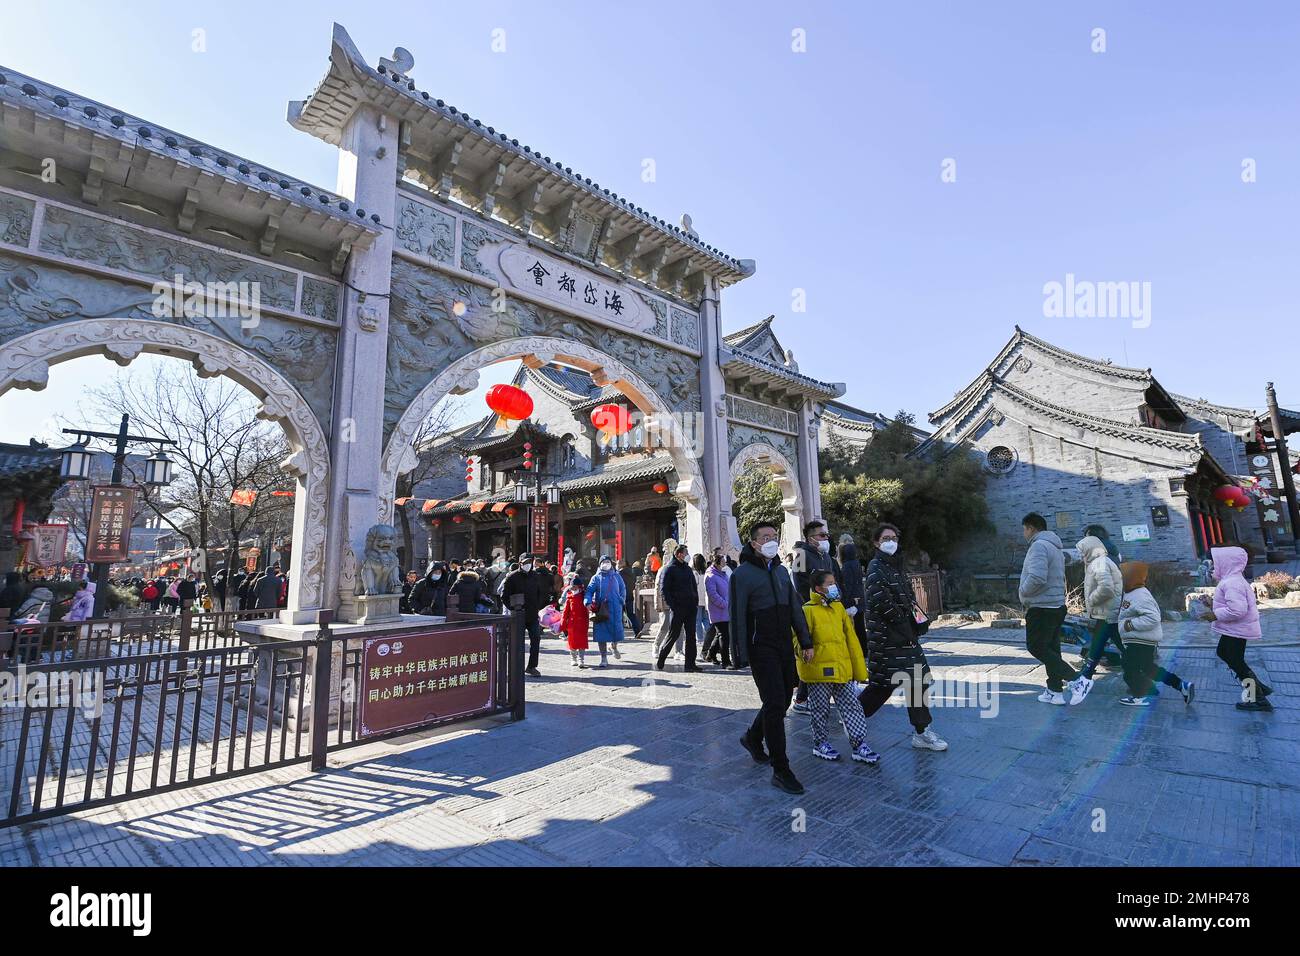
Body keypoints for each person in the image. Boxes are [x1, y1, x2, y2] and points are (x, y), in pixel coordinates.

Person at [732, 521, 814, 794]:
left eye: (774, 536)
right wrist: (740, 654)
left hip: (783, 645)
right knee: (775, 701)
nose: (771, 540)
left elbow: (795, 608)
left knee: (782, 699)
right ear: (753, 542)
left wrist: (805, 640)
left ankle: (753, 737)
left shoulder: (781, 571)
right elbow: (738, 616)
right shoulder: (742, 575)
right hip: (761, 646)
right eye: (765, 537)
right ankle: (781, 768)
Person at [860, 523, 948, 751]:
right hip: (887, 640)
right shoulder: (876, 568)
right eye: (886, 538)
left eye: (894, 537)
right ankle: (853, 716)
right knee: (882, 687)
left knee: (918, 682)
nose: (891, 541)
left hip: (906, 637)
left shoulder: (895, 566)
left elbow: (909, 597)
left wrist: (919, 619)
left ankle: (922, 732)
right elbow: (882, 604)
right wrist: (905, 626)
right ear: (876, 543)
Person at [798, 569, 878, 763]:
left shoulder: (839, 608)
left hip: (842, 669)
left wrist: (858, 669)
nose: (834, 587)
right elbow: (798, 638)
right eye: (829, 583)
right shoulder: (807, 610)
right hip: (818, 670)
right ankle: (820, 743)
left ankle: (859, 745)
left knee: (852, 706)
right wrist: (803, 651)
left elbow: (851, 639)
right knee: (820, 709)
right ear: (818, 588)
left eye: (834, 582)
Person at [1199, 546, 1271, 711]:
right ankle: (1259, 689)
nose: (1213, 567)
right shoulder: (1231, 580)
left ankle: (1258, 698)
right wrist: (1211, 604)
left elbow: (1238, 610)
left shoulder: (1232, 583)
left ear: (1226, 563)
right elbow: (1230, 604)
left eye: (1216, 563)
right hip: (1234, 629)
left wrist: (1215, 615)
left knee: (1236, 661)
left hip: (1238, 629)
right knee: (1225, 654)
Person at [1115, 561, 1193, 706]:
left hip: (1140, 640)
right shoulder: (1132, 593)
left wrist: (1129, 625)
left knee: (1129, 668)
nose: (1120, 579)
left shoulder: (1140, 595)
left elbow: (1153, 618)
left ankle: (1138, 696)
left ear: (1132, 578)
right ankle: (1181, 685)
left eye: (1123, 576)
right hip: (1140, 640)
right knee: (1149, 669)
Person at [1018, 512, 1076, 705]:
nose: (1024, 533)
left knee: (1035, 646)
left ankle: (1076, 680)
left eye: (1024, 529)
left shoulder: (1039, 546)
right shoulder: (1054, 546)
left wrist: (1023, 593)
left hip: (1041, 606)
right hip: (1055, 605)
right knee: (1052, 649)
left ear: (1031, 528)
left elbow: (1037, 577)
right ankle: (1055, 691)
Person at [789, 520, 841, 713]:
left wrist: (836, 598)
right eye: (821, 535)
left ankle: (831, 689)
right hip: (810, 610)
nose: (825, 538)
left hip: (829, 608)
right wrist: (812, 602)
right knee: (811, 653)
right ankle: (801, 698)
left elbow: (833, 580)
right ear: (810, 538)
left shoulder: (825, 556)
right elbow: (798, 583)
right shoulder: (801, 555)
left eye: (826, 535)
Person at [1067, 534, 1125, 705]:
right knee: (1098, 649)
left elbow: (1106, 588)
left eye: (1082, 551)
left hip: (1106, 613)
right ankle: (1084, 679)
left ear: (1089, 549)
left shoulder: (1099, 563)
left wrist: (1091, 600)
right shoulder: (1101, 561)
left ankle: (1084, 680)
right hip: (1107, 613)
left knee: (1099, 648)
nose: (1081, 555)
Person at [657, 544, 701, 671]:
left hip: (691, 607)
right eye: (685, 552)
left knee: (691, 636)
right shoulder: (669, 569)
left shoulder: (687, 568)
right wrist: (673, 606)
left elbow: (693, 585)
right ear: (679, 554)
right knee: (673, 634)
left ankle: (690, 664)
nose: (687, 554)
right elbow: (664, 589)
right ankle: (662, 657)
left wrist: (695, 600)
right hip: (678, 608)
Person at [503, 554, 549, 677]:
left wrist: (537, 606)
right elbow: (504, 596)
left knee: (536, 639)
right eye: (526, 562)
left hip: (532, 615)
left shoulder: (535, 576)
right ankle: (516, 666)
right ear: (520, 563)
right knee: (518, 642)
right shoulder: (512, 577)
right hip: (518, 615)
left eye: (530, 561)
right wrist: (513, 609)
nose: (528, 564)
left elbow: (540, 593)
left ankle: (532, 666)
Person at [585, 556, 626, 668]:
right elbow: (589, 590)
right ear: (600, 564)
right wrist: (587, 602)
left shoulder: (617, 576)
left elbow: (623, 589)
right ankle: (603, 657)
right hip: (601, 609)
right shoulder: (596, 578)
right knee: (601, 635)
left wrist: (621, 599)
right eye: (603, 562)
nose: (606, 564)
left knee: (617, 633)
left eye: (608, 561)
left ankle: (614, 646)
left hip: (616, 609)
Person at [702, 552, 732, 666]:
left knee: (719, 634)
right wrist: (724, 604)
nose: (725, 561)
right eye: (723, 559)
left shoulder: (723, 574)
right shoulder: (710, 576)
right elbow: (712, 594)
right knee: (724, 636)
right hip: (718, 610)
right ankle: (726, 661)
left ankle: (711, 654)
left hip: (726, 609)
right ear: (718, 562)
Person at [837, 533, 866, 645]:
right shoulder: (856, 563)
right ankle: (864, 648)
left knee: (854, 627)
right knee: (860, 626)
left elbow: (848, 584)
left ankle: (861, 649)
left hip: (852, 600)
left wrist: (846, 600)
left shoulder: (846, 566)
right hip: (860, 596)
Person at [558, 573, 590, 668]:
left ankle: (581, 659)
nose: (573, 588)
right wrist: (563, 624)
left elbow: (588, 609)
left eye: (575, 587)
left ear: (579, 587)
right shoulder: (569, 597)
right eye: (572, 587)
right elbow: (565, 612)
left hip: (582, 623)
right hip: (572, 624)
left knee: (582, 642)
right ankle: (573, 658)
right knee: (572, 642)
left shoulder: (584, 597)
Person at [617, 559, 643, 637]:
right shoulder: (631, 573)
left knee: (619, 615)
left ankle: (619, 633)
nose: (617, 565)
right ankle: (637, 631)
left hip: (620, 596)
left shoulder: (618, 574)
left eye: (618, 563)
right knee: (631, 614)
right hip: (629, 596)